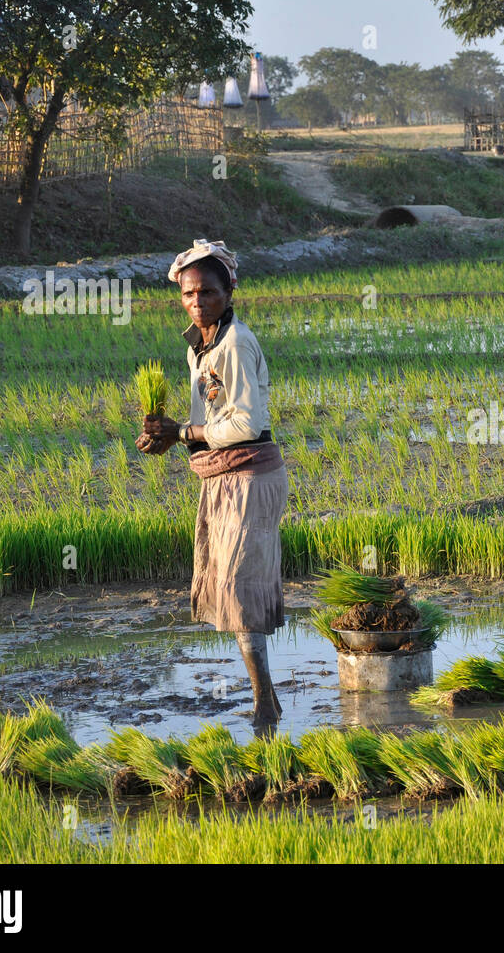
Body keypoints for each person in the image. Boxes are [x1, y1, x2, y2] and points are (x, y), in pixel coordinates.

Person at [136, 239, 289, 733]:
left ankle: (266, 704)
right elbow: (212, 418)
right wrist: (170, 438)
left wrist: (182, 432)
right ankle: (263, 698)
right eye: (188, 293)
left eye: (207, 292)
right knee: (233, 587)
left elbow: (245, 423)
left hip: (248, 474)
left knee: (242, 592)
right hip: (223, 475)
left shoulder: (236, 342)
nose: (197, 302)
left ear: (229, 290)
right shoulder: (199, 347)